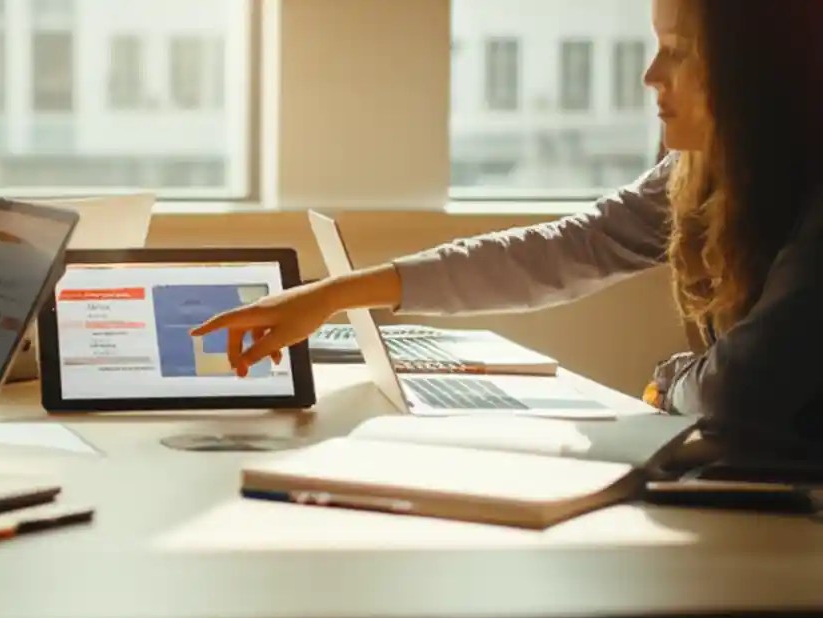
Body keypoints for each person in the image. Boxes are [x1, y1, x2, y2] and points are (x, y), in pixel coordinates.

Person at [193, 0, 823, 446]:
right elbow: (562, 251)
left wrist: (673, 380)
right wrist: (333, 295)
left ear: (752, 71)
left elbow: (737, 393)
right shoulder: (699, 171)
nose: (650, 75)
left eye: (678, 52)